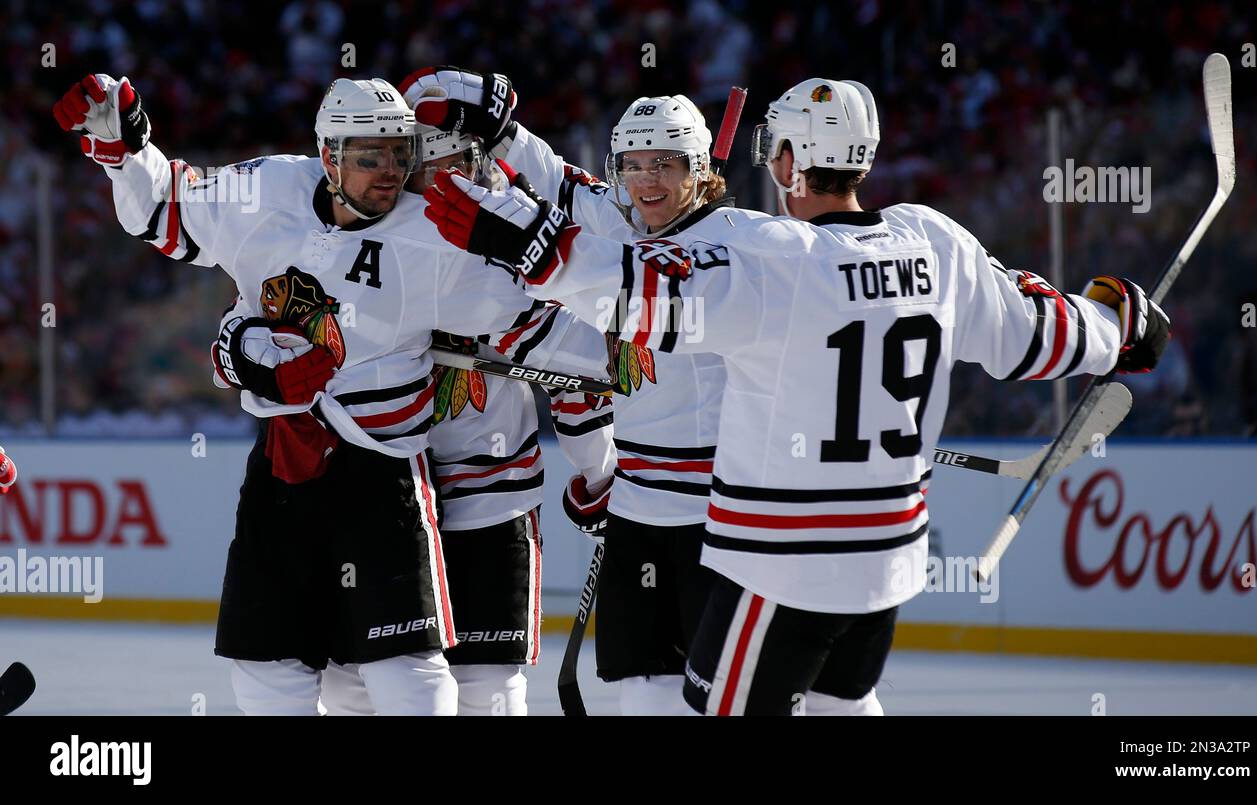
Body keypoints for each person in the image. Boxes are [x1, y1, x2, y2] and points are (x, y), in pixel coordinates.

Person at [422, 76, 1171, 715]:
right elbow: (1038, 334)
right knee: (843, 705)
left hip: (781, 563)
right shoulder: (934, 244)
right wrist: (1117, 321)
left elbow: (639, 296)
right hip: (888, 563)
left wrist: (529, 242)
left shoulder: (771, 258)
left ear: (786, 161)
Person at [53, 72, 607, 715]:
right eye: (371, 156)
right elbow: (167, 212)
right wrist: (126, 150)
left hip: (387, 479)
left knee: (416, 680)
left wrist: (649, 330)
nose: (391, 171)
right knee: (267, 671)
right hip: (283, 467)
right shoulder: (265, 189)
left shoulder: (436, 236)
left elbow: (548, 330)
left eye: (402, 154)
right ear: (327, 156)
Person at [405, 66, 767, 714]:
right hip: (638, 516)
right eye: (634, 163)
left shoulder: (740, 249)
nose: (647, 179)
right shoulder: (614, 225)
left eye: (666, 163)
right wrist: (498, 129)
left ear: (699, 168)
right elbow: (546, 178)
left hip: (720, 520)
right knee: (641, 698)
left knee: (726, 700)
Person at [316, 97, 616, 717]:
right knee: (353, 684)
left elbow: (581, 367)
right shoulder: (368, 232)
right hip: (385, 494)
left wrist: (599, 471)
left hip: (490, 496)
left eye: (459, 162)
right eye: (429, 165)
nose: (446, 179)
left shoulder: (515, 227)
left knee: (488, 693)